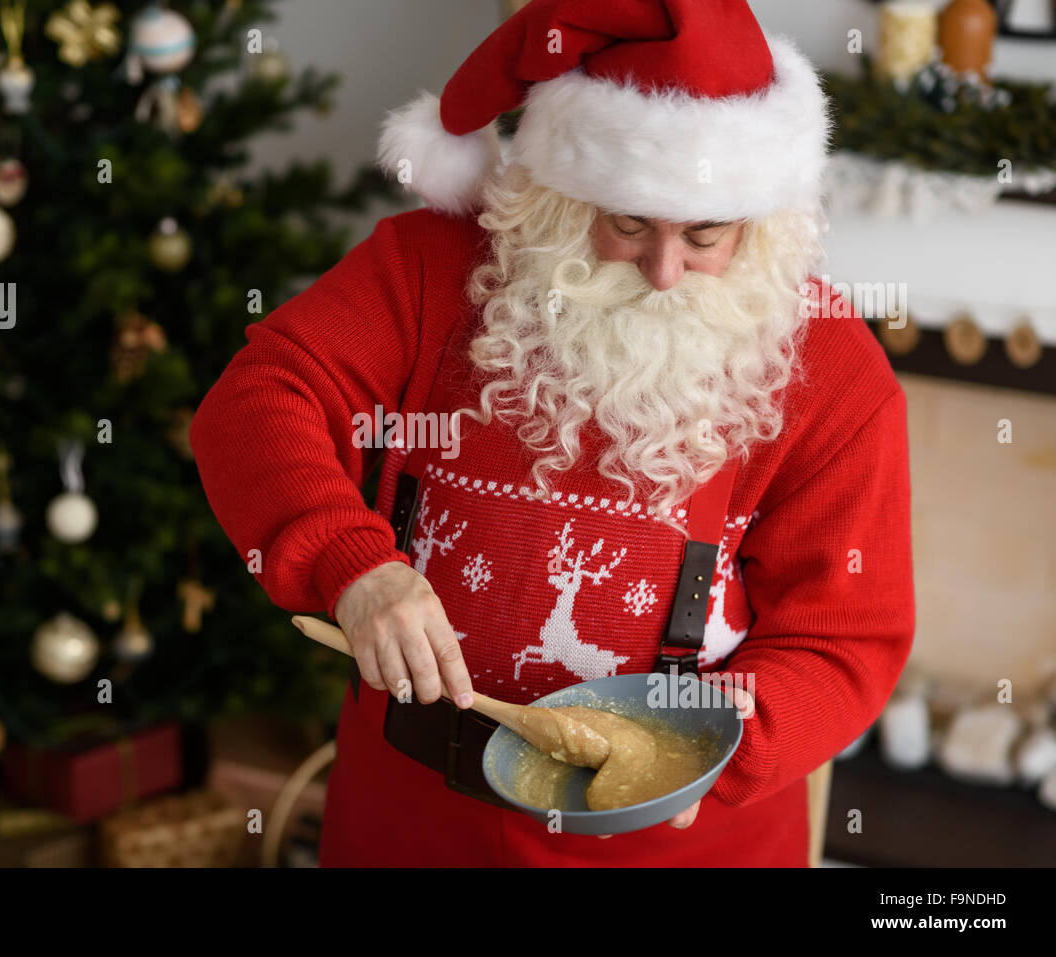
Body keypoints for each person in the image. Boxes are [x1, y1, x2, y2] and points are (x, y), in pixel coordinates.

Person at [190, 0, 915, 866]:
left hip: (673, 844)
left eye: (706, 234)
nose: (664, 270)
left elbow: (843, 637)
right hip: (411, 815)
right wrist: (355, 566)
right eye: (629, 224)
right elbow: (259, 400)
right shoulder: (426, 269)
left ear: (760, 224)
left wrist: (718, 750)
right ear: (562, 196)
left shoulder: (835, 372)